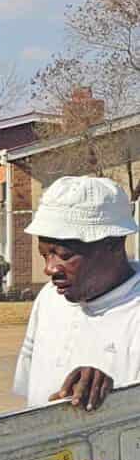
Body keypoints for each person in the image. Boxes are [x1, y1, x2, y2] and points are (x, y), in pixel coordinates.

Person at [14, 176, 140, 413]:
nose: (49, 269)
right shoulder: (49, 299)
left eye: (64, 255)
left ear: (113, 244)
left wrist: (111, 396)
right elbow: (31, 394)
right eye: (45, 255)